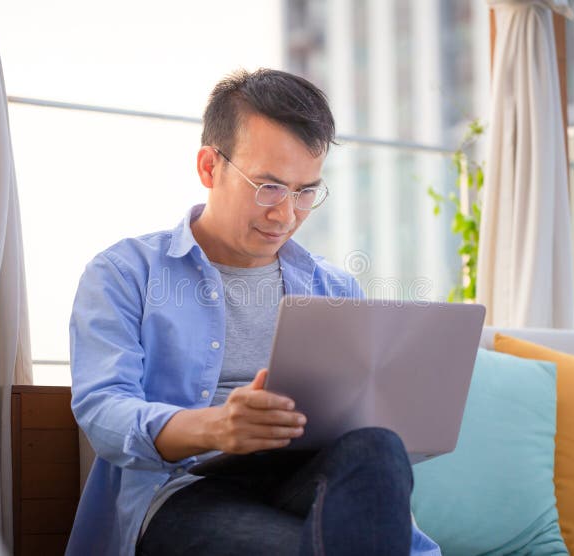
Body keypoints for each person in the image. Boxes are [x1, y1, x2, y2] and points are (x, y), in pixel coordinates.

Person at [66, 68, 439, 556]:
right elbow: (103, 410)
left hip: (302, 480)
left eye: (305, 191)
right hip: (185, 489)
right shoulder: (125, 273)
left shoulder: (333, 287)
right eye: (268, 186)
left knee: (378, 444)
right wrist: (217, 426)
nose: (286, 214)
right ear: (209, 167)